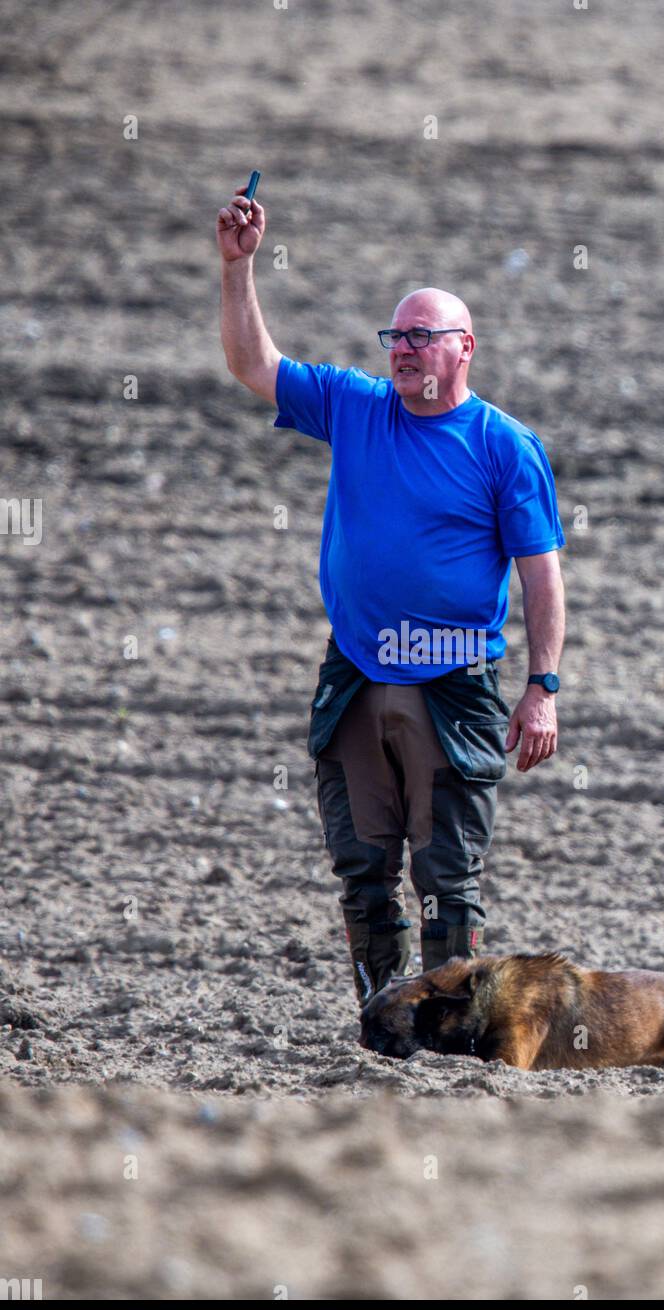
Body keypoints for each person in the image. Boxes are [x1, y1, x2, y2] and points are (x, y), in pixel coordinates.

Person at [217, 182, 566, 1007]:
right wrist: (238, 270)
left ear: (463, 348)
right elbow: (251, 366)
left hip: (453, 679)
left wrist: (542, 688)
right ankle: (382, 1016)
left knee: (446, 870)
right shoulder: (355, 406)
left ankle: (454, 1028)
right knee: (362, 866)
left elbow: (541, 576)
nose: (402, 349)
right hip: (357, 671)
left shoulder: (503, 446)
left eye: (420, 336)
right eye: (394, 336)